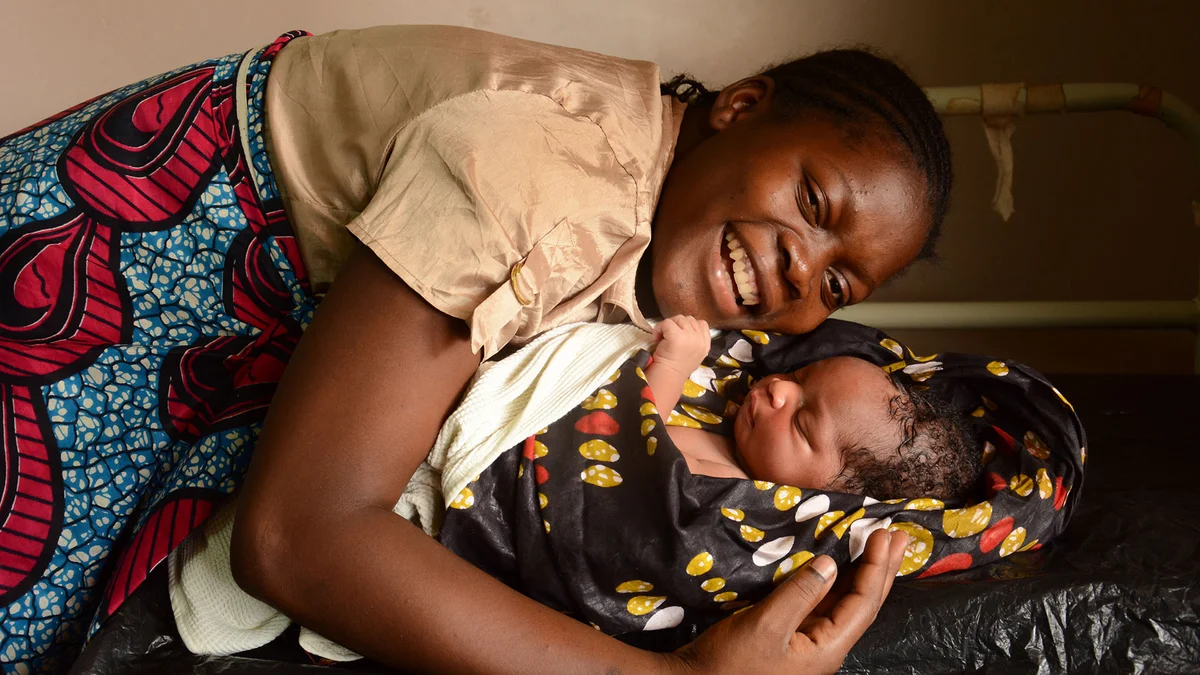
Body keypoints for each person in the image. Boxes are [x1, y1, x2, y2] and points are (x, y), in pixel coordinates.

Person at [0, 24, 950, 674]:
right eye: (814, 204)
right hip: (70, 285)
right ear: (741, 107)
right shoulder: (539, 177)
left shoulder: (649, 213)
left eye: (835, 287)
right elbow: (298, 535)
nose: (799, 272)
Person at [646, 316, 981, 500]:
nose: (780, 388)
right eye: (799, 375)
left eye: (801, 424)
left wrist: (672, 368)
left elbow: (638, 455)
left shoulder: (730, 484)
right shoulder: (736, 432)